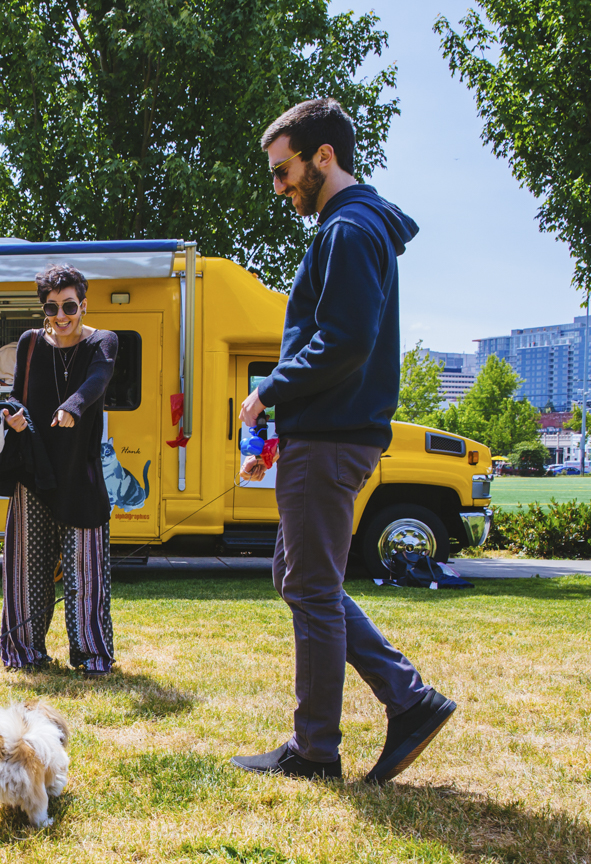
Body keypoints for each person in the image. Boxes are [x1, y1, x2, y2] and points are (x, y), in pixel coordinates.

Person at [231, 98, 456, 782]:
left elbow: (344, 343)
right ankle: (405, 699)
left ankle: (318, 749)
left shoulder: (350, 231)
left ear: (322, 157)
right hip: (328, 432)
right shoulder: (351, 227)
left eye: (283, 171)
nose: (279, 187)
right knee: (299, 578)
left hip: (331, 437)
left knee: (311, 586)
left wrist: (269, 390)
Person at [0, 264, 118, 675]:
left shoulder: (103, 342)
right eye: (52, 307)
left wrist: (73, 406)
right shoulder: (30, 342)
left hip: (78, 474)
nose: (61, 316)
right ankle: (25, 652)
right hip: (33, 472)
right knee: (27, 573)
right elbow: (17, 396)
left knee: (85, 572)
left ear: (83, 305)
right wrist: (13, 415)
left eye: (69, 306)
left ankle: (90, 655)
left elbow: (98, 380)